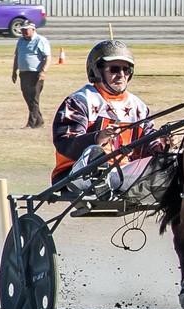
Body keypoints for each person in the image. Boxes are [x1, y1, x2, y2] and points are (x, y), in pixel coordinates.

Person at [51, 40, 163, 197]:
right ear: (96, 71)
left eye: (127, 69)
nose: (122, 75)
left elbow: (147, 143)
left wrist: (162, 144)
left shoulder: (138, 107)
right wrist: (98, 137)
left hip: (122, 172)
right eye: (115, 69)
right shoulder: (79, 101)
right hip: (74, 173)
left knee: (171, 160)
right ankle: (101, 180)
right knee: (94, 153)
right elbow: (64, 142)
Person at [12, 20, 50, 128]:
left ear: (33, 29)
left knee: (33, 97)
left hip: (36, 74)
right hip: (24, 73)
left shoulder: (40, 40)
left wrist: (44, 71)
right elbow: (17, 56)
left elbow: (47, 57)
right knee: (27, 97)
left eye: (26, 30)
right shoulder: (21, 41)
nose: (23, 32)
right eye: (22, 30)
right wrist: (14, 71)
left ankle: (31, 123)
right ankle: (39, 121)